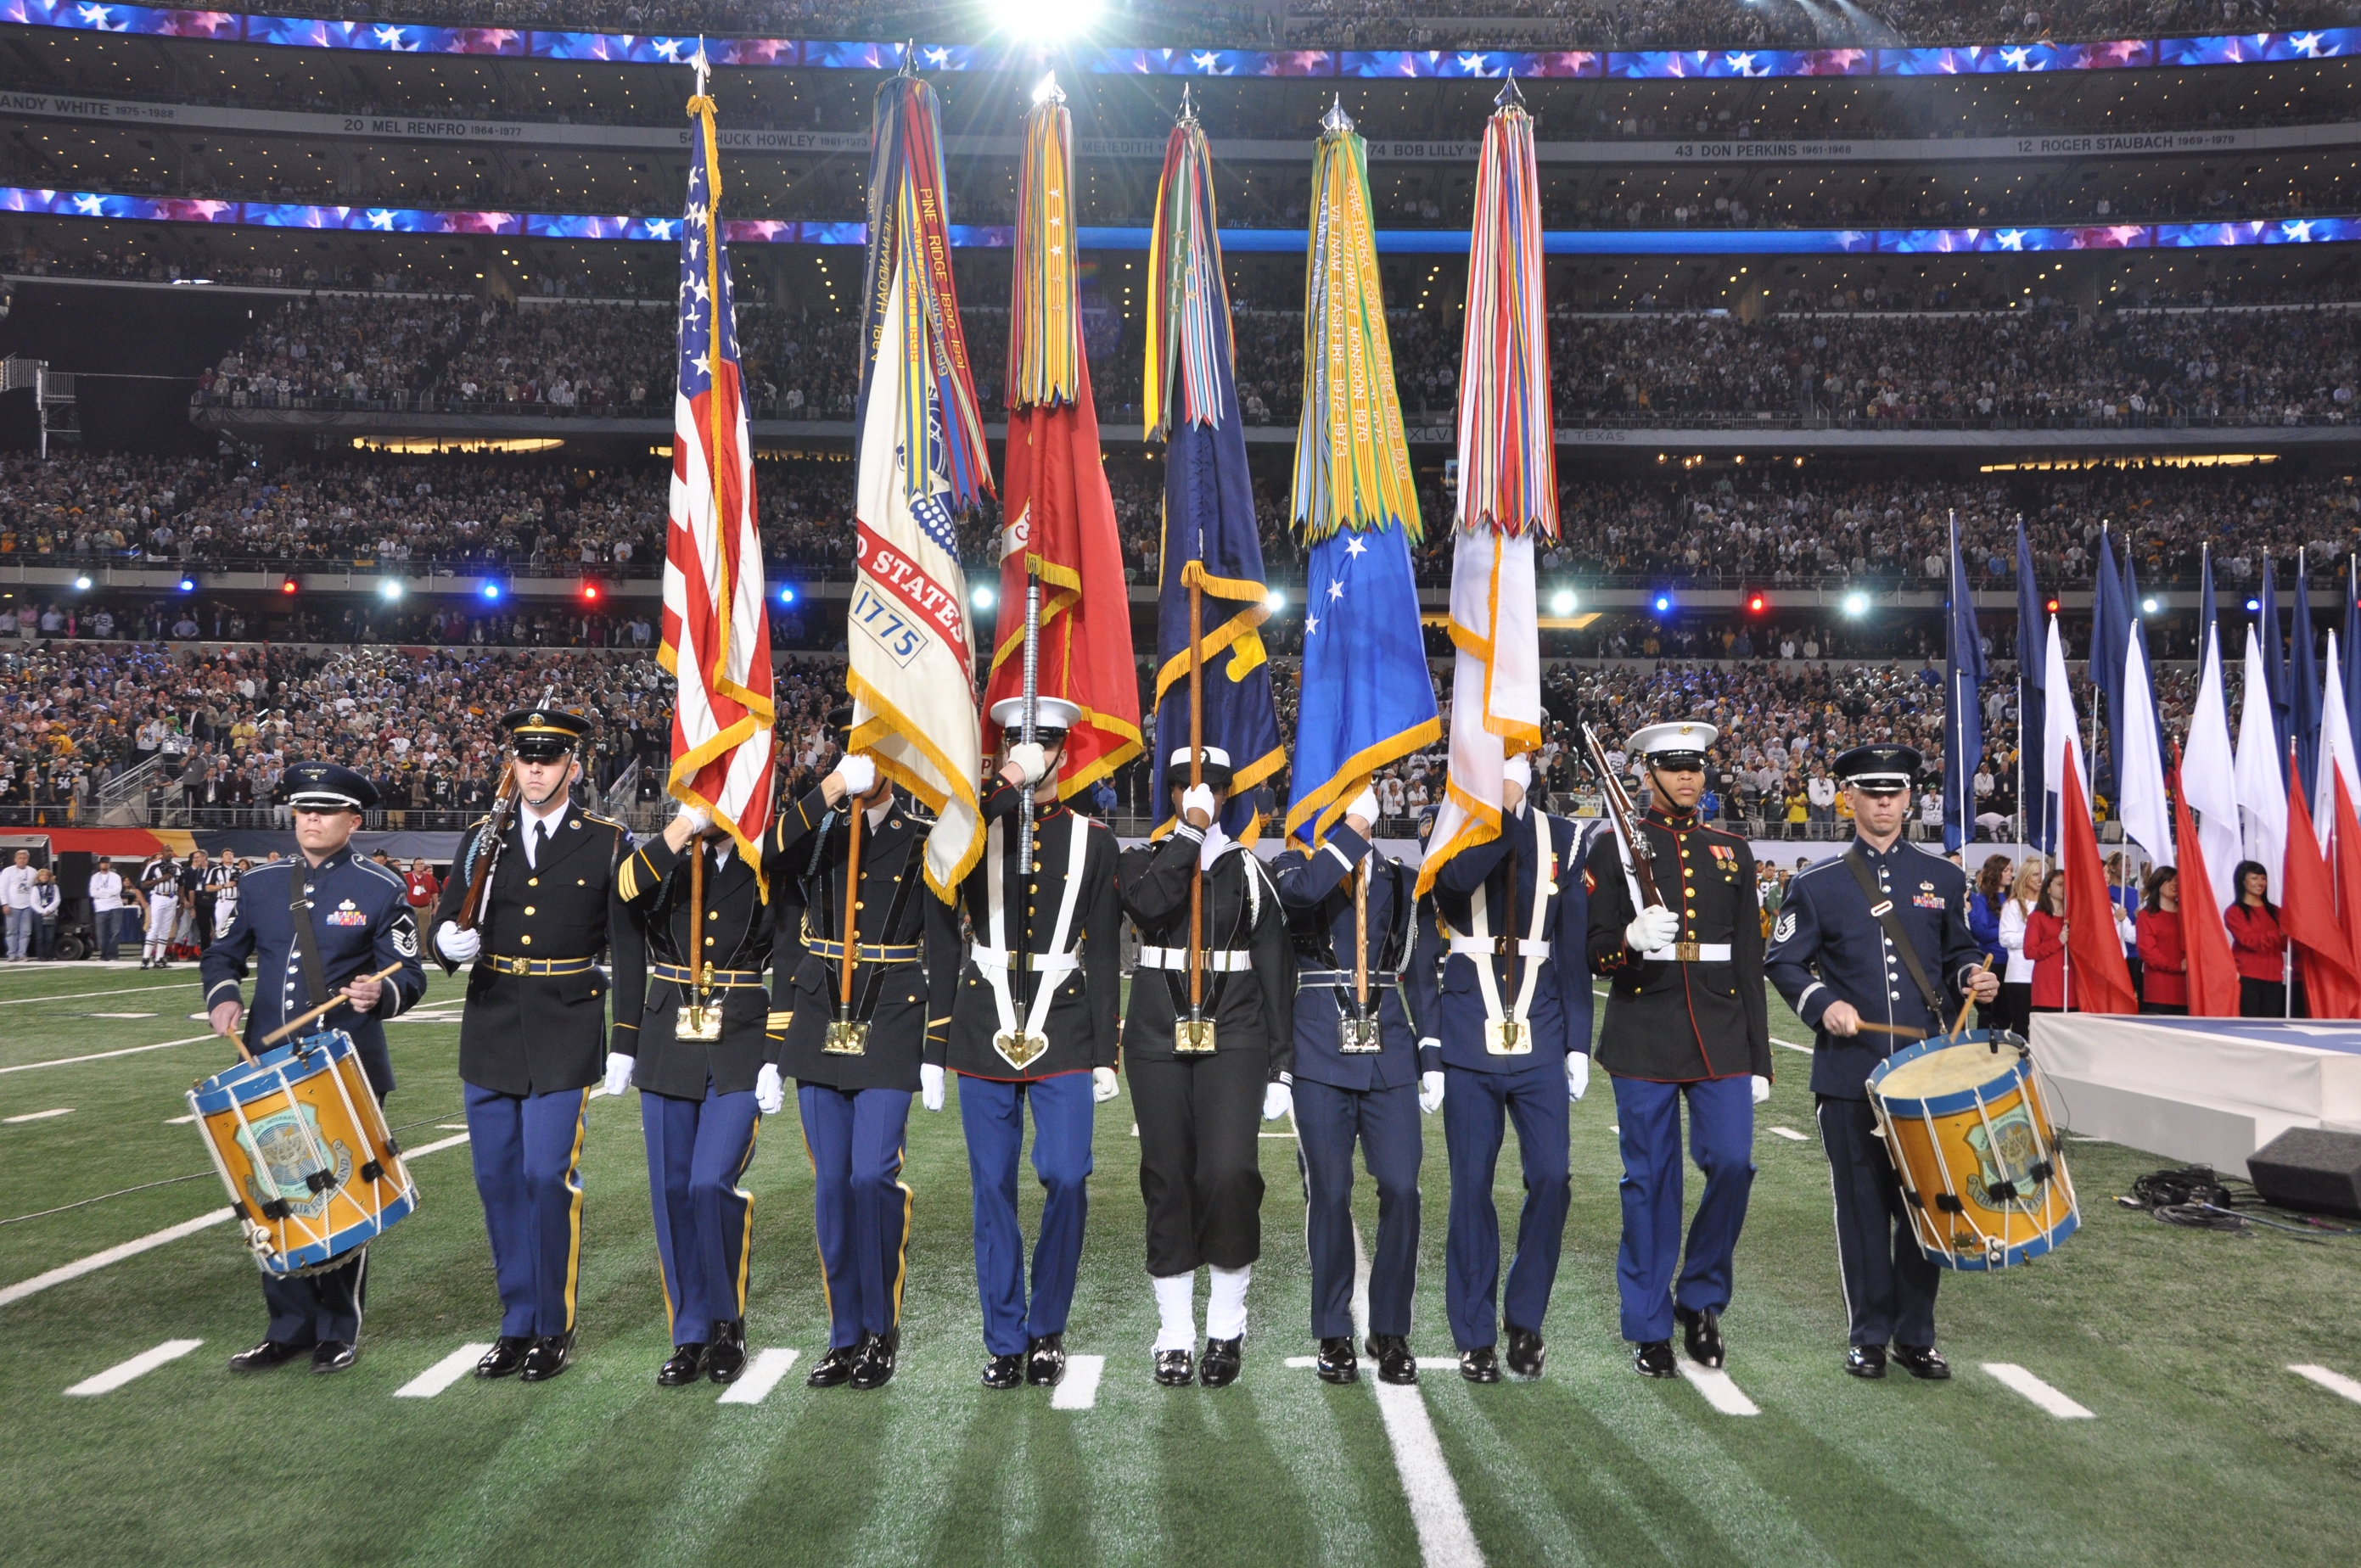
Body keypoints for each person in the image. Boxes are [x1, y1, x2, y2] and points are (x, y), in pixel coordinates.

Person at [1765, 743, 1997, 1381]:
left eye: (1895, 793)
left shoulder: (1945, 879)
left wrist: (1973, 974)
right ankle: (1867, 1334)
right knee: (1864, 1212)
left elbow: (1957, 953)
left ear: (1911, 799)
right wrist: (1822, 1003)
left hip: (1928, 1078)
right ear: (1851, 800)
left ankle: (1915, 1335)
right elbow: (1782, 961)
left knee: (1928, 1207)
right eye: (1872, 793)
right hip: (1851, 1076)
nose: (1885, 804)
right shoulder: (1816, 884)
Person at [200, 761, 428, 1375]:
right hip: (268, 1068)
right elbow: (224, 952)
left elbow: (408, 973)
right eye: (303, 810)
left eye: (325, 811)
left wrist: (378, 995)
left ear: (353, 820)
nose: (311, 820)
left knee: (339, 1196)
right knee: (273, 1199)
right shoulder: (260, 884)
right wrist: (223, 994)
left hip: (343, 1068)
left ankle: (337, 1329)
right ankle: (288, 1328)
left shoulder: (382, 888)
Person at [430, 708, 629, 1384]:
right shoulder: (482, 837)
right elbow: (448, 918)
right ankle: (515, 1324)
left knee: (547, 1176)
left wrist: (626, 1037)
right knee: (497, 1183)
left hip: (564, 1024)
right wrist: (444, 945)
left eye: (549, 759)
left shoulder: (607, 840)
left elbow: (624, 945)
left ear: (575, 767)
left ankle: (552, 1325)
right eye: (526, 758)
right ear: (511, 765)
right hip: (490, 1022)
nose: (536, 770)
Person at [767, 712, 962, 1393]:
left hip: (892, 1016)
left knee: (871, 1176)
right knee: (829, 1186)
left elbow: (944, 943)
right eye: (856, 754)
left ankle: (882, 1327)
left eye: (875, 757)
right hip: (821, 1014)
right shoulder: (819, 829)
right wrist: (825, 792)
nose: (865, 765)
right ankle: (843, 1333)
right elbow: (768, 853)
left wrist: (937, 1046)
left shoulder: (922, 839)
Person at [941, 698, 1121, 1391]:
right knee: (992, 1189)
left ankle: (1048, 1326)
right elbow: (945, 853)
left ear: (1063, 752)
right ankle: (1006, 1338)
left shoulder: (1094, 838)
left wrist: (1107, 1051)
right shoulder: (973, 829)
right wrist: (1003, 784)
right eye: (1018, 743)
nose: (1032, 754)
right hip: (984, 1019)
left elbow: (1104, 952)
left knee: (1067, 1175)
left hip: (1066, 1024)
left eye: (1043, 743)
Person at [1584, 721, 1769, 1379]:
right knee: (1650, 1182)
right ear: (1648, 774)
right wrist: (1629, 939)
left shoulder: (1730, 851)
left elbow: (1748, 955)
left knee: (1734, 1163)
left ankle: (1700, 1297)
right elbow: (1593, 950)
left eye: (1696, 766)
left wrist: (1761, 1059)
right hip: (1644, 1027)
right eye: (1675, 766)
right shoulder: (1612, 848)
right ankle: (1647, 1322)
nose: (1690, 776)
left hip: (1719, 1031)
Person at [1405, 754, 1592, 1385]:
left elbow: (1571, 947)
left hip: (1540, 1035)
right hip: (1466, 1037)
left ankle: (1526, 1318)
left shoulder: (1567, 837)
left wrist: (1578, 1043)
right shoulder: (1452, 828)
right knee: (1471, 1191)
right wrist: (1502, 811)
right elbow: (1456, 889)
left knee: (1553, 1177)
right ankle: (1474, 1334)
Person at [1119, 745, 1294, 1389]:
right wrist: (1188, 835)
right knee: (1166, 1176)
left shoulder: (1250, 869)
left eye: (1213, 791)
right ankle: (1174, 1331)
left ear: (1227, 795)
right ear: (1171, 795)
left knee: (1227, 1171)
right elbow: (1151, 907)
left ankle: (1226, 1321)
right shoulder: (1142, 859)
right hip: (1155, 1035)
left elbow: (1277, 966)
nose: (1201, 797)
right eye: (1189, 790)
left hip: (1237, 1032)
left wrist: (1283, 1062)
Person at [610, 792, 780, 1389]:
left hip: (740, 1042)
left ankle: (728, 1321)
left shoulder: (767, 863)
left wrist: (775, 1055)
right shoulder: (666, 859)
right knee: (671, 1194)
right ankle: (689, 1334)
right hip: (666, 1040)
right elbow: (625, 889)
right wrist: (684, 828)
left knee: (711, 1182)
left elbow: (787, 952)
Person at [1270, 777, 1422, 1387]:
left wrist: (1429, 1055)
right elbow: (1303, 896)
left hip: (1387, 1049)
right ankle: (1333, 1329)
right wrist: (1351, 835)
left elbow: (1410, 968)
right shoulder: (1291, 864)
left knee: (1402, 1188)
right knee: (1329, 1193)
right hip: (1316, 1049)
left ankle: (1391, 1326)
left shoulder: (1397, 878)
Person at [2226, 862, 2287, 1017]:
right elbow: (2249, 941)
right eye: (2255, 878)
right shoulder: (2234, 912)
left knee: (2272, 1027)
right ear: (2242, 881)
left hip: (2274, 978)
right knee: (2248, 1026)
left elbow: (2285, 945)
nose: (2260, 883)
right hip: (2247, 979)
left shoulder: (2275, 911)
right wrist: (2279, 933)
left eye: (2263, 878)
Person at [1995, 860, 2043, 1034]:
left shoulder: (2049, 906)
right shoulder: (2013, 905)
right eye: (2036, 874)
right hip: (2020, 975)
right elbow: (2005, 938)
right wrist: (2033, 939)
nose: (2040, 879)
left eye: (2042, 875)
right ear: (2025, 877)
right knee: (2022, 1025)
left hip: (2044, 975)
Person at [2137, 865, 2188, 1016]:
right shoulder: (2147, 916)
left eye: (2177, 881)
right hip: (2160, 990)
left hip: (2187, 988)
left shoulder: (2186, 915)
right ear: (2158, 884)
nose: (2174, 884)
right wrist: (2177, 966)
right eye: (2168, 881)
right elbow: (2148, 953)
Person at [1968, 855, 2011, 1028]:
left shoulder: (2014, 897)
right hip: (1993, 960)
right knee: (1990, 1013)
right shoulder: (1981, 899)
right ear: (1996, 872)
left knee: (2007, 1013)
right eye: (2006, 870)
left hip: (2013, 962)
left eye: (2011, 870)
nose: (2010, 874)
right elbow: (1981, 933)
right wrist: (2007, 931)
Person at [2024, 871, 2068, 1014]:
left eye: (2066, 885)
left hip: (2071, 986)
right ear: (2048, 888)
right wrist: (2058, 941)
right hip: (2047, 988)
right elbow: (2029, 951)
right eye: (2060, 884)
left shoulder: (2073, 917)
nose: (2064, 888)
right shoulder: (2037, 917)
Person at [140, 854, 183, 969]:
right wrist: (161, 879)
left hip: (172, 897)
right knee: (155, 927)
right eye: (167, 850)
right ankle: (145, 958)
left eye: (171, 850)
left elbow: (181, 885)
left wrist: (182, 903)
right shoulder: (153, 866)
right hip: (158, 896)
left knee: (166, 929)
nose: (170, 852)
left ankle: (159, 958)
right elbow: (143, 883)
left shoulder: (177, 866)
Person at [88, 855, 125, 960]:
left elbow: (117, 890)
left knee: (115, 932)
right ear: (99, 864)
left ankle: (112, 954)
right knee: (101, 934)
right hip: (100, 908)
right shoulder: (95, 877)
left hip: (115, 907)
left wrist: (101, 892)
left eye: (107, 863)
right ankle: (104, 954)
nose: (105, 864)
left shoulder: (115, 876)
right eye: (103, 863)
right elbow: (92, 892)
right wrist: (108, 893)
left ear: (110, 864)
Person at [31, 867, 59, 959]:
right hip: (39, 914)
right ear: (39, 877)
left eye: (47, 875)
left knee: (50, 937)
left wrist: (48, 910)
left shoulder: (54, 887)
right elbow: (33, 902)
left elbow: (57, 900)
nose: (45, 877)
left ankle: (50, 955)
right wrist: (42, 911)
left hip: (51, 913)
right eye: (42, 875)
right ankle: (41, 956)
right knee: (40, 936)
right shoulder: (35, 888)